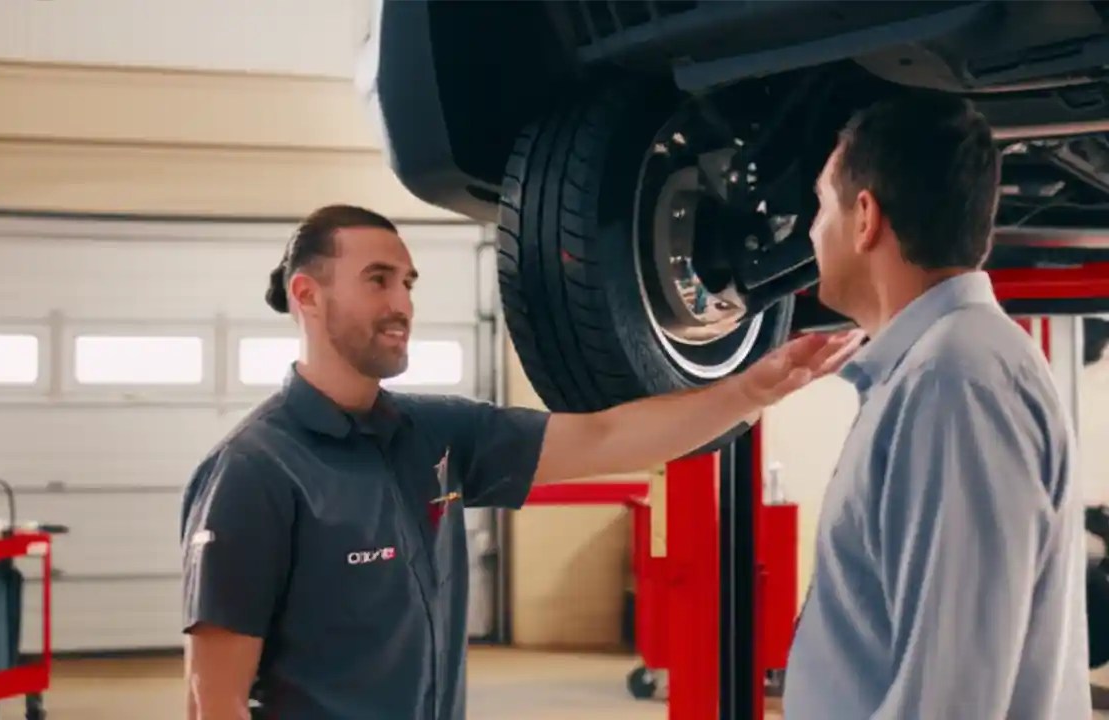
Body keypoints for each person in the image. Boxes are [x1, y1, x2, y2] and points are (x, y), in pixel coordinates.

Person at [179, 204, 860, 720]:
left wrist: (750, 390)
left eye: (408, 283)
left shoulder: (431, 433)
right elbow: (213, 697)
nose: (402, 305)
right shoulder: (256, 471)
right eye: (377, 280)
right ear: (307, 294)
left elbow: (602, 437)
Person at [782, 93, 1091, 719]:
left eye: (820, 205)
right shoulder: (941, 367)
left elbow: (952, 697)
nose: (812, 230)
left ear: (864, 216)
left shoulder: (957, 381)